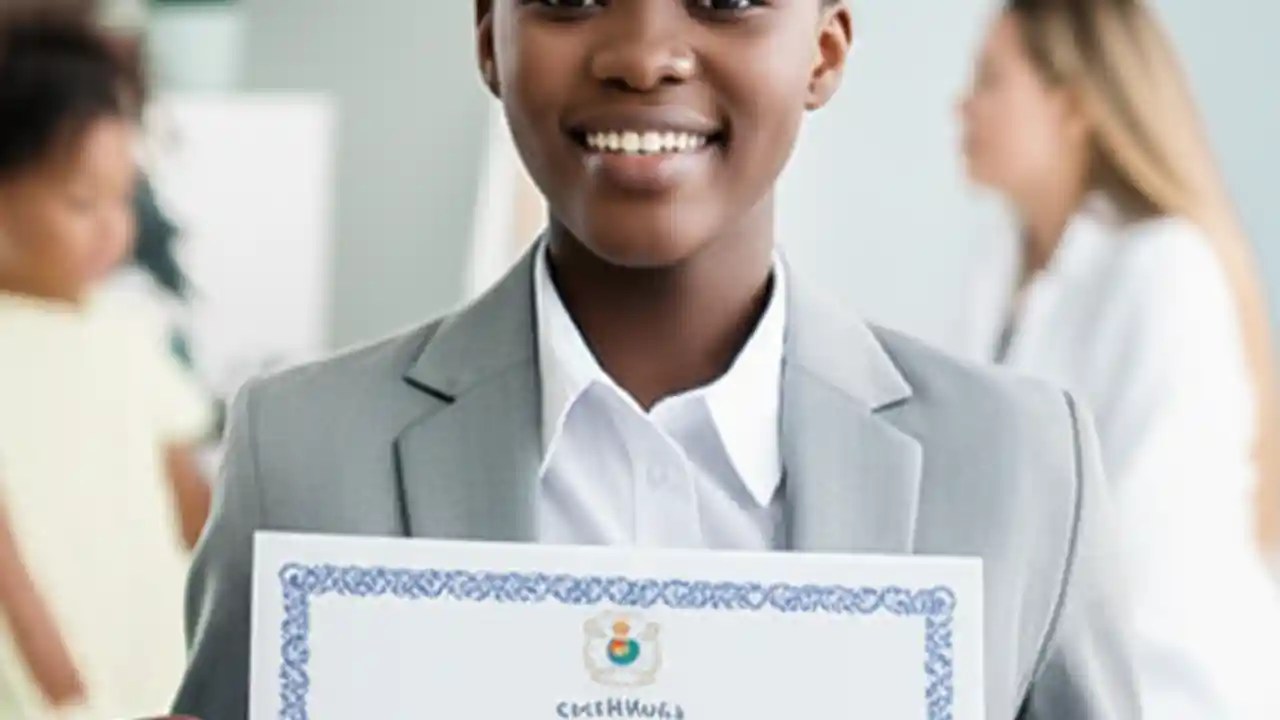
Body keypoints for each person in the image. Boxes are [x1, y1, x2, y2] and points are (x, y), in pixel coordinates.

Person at [175, 1, 1140, 718]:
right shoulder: (301, 456)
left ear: (826, 46)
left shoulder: (1021, 468)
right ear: (487, 38)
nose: (642, 56)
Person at [958, 0, 1280, 716]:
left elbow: (1143, 549)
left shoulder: (1165, 269)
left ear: (1072, 106)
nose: (963, 104)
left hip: (1169, 691)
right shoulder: (1000, 266)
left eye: (989, 79)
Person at [0, 9, 214, 719]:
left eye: (122, 198)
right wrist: (64, 694)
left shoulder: (130, 334)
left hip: (158, 672)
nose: (112, 226)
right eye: (79, 200)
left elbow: (195, 510)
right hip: (50, 691)